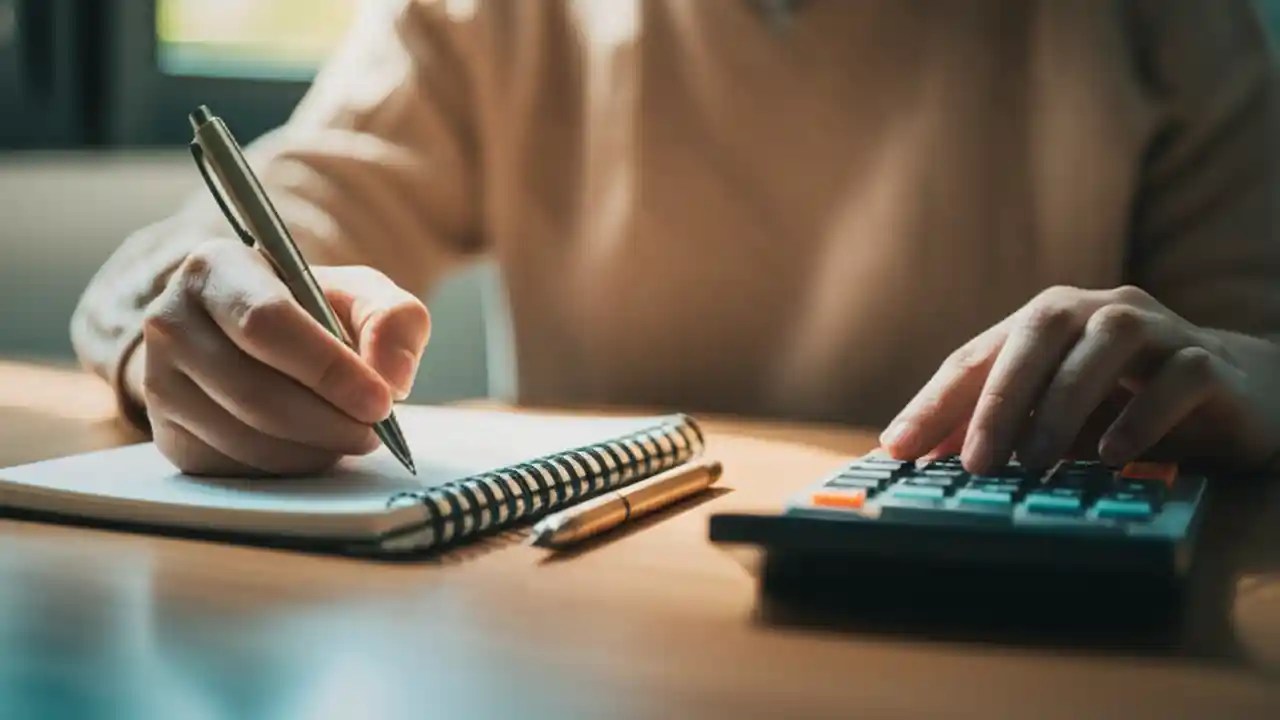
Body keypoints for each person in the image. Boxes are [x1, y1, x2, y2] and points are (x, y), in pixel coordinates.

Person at [73, 0, 1280, 476]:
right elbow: (249, 229)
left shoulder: (1164, 20)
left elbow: (1251, 353)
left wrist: (1241, 379)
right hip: (592, 646)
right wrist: (182, 320)